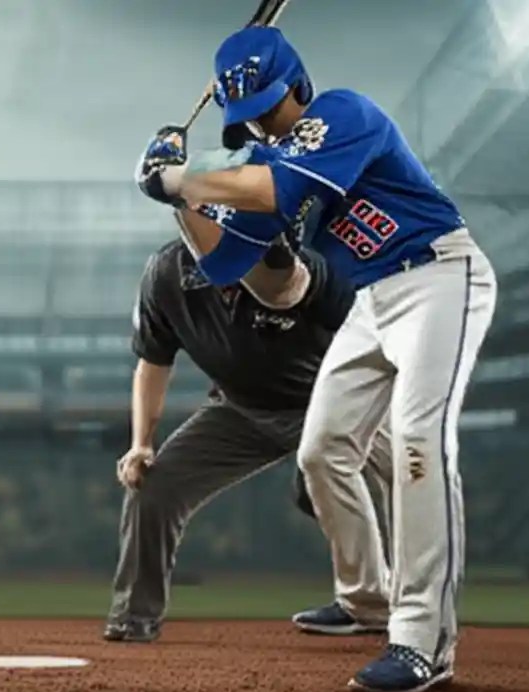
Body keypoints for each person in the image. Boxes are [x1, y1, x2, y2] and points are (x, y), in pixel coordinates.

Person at [136, 26, 498, 692]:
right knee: (323, 447)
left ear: (297, 86)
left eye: (270, 108)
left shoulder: (343, 113)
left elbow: (270, 191)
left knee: (419, 441)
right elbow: (230, 263)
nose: (264, 124)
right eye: (249, 119)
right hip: (373, 299)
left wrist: (183, 177)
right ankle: (365, 599)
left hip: (440, 276)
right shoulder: (266, 169)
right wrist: (178, 202)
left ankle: (424, 643)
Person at [105, 229, 393, 644]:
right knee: (153, 487)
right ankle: (133, 617)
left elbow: (375, 340)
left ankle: (383, 605)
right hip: (238, 410)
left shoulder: (309, 268)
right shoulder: (166, 274)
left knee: (380, 477)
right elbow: (153, 360)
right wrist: (141, 444)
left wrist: (361, 417)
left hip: (326, 404)